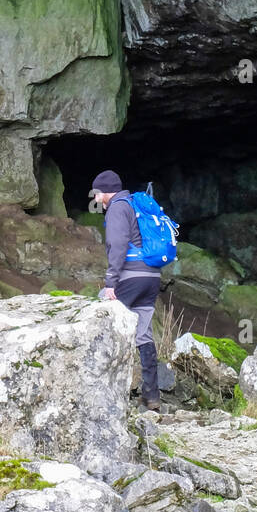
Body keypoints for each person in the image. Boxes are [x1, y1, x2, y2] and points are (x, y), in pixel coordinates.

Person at [92, 169, 161, 412]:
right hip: (151, 276)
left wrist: (111, 282)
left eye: (96, 194)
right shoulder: (133, 204)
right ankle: (151, 397)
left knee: (104, 316)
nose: (95, 199)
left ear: (103, 192)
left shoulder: (118, 208)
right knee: (143, 332)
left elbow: (117, 244)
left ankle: (102, 390)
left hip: (131, 276)